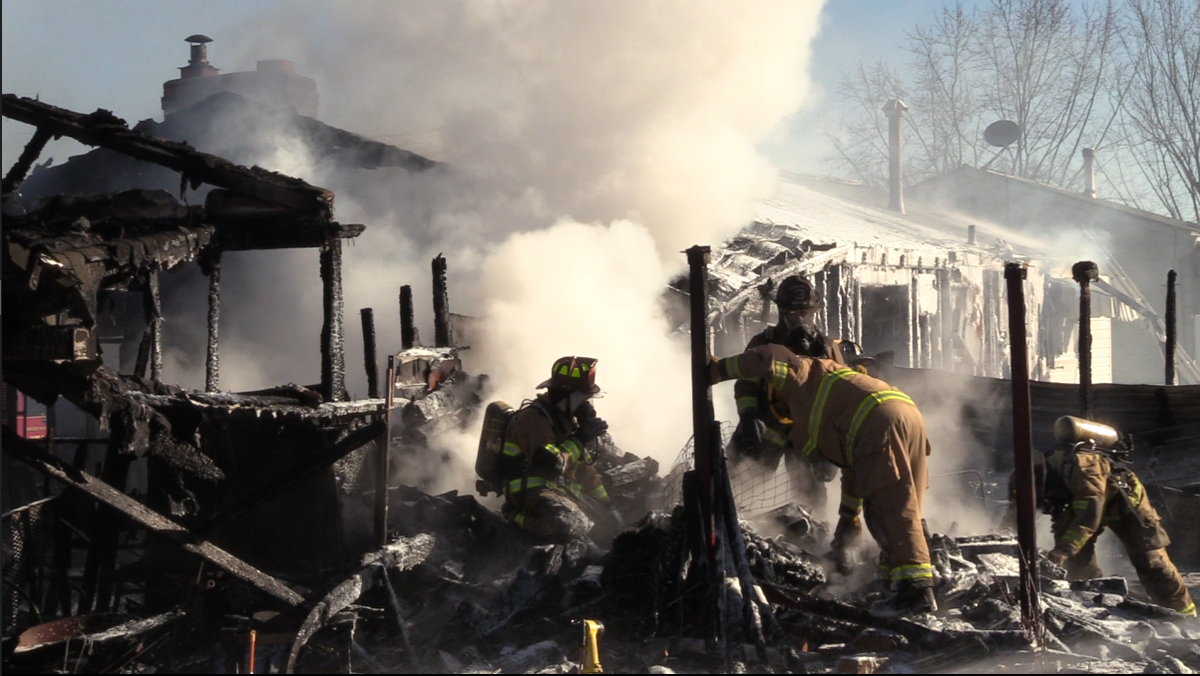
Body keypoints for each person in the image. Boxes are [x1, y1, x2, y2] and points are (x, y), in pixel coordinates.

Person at [710, 343, 936, 618]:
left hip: (880, 423)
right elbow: (853, 474)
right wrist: (849, 519)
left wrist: (718, 370)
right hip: (904, 412)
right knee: (899, 503)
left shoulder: (799, 373)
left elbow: (766, 357)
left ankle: (917, 591)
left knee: (890, 507)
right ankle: (896, 582)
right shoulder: (836, 400)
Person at [1000, 416, 1196, 617]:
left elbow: (1087, 518)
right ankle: (1102, 610)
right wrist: (996, 541)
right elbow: (1014, 516)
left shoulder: (1082, 469)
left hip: (1125, 505)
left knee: (1152, 565)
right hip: (1083, 507)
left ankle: (1185, 616)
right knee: (1076, 567)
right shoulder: (1033, 480)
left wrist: (1062, 551)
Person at [731, 275, 844, 508]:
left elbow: (841, 394)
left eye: (807, 315)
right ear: (782, 314)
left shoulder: (827, 348)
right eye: (795, 316)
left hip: (806, 437)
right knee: (737, 485)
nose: (801, 322)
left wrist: (832, 442)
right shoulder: (762, 343)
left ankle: (812, 536)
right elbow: (746, 384)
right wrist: (748, 416)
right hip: (765, 430)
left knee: (812, 498)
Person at [499, 356, 613, 544]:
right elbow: (551, 464)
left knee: (609, 528)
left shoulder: (565, 421)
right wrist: (581, 438)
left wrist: (608, 506)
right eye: (582, 400)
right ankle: (512, 515)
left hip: (562, 493)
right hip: (531, 494)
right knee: (570, 525)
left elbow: (584, 470)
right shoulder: (534, 419)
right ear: (565, 395)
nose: (586, 407)